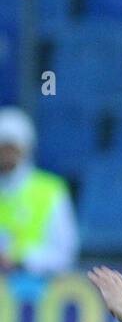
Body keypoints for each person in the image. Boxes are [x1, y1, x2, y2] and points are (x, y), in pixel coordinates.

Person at [0, 106, 79, 275]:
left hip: (37, 291)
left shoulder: (50, 190)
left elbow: (65, 253)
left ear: (25, 148)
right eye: (1, 147)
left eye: (10, 147)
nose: (5, 154)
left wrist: (21, 260)